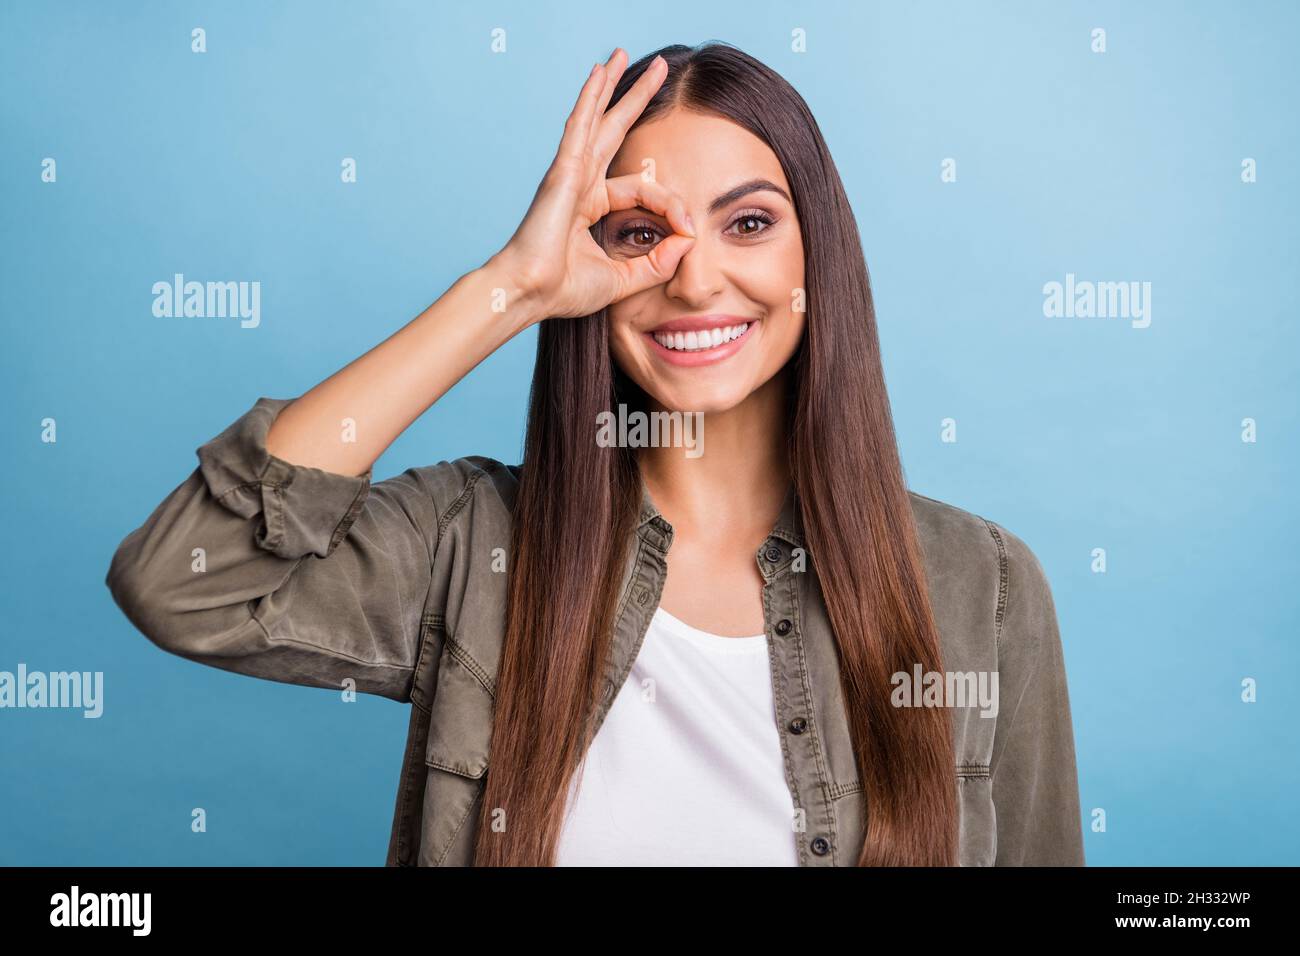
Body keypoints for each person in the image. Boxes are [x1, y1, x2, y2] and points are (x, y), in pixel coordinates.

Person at [106, 42, 1085, 867]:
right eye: (640, 232)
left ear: (815, 254)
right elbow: (183, 581)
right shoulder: (471, 543)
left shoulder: (983, 587)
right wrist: (512, 286)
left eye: (748, 221)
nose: (695, 278)